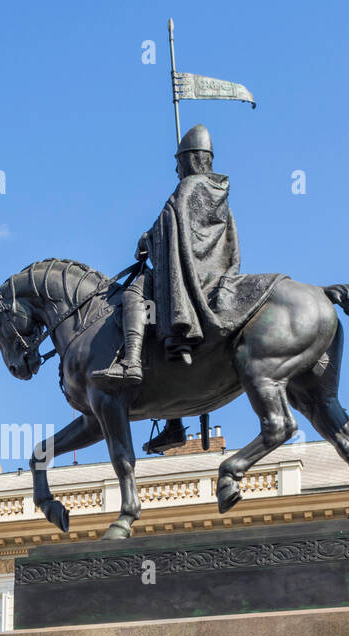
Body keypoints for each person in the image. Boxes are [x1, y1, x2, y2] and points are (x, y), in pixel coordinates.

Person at [93, 123, 240, 454]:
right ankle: (173, 422)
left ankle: (130, 360)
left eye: (178, 161)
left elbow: (167, 225)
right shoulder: (219, 191)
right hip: (209, 274)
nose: (176, 168)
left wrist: (146, 240)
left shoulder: (188, 188)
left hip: (186, 277)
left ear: (189, 160)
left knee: (132, 292)